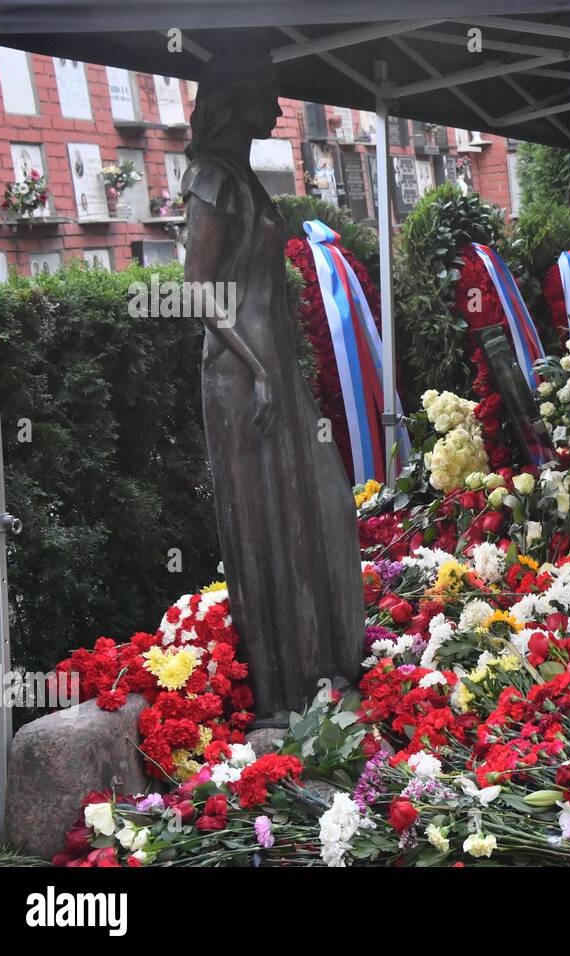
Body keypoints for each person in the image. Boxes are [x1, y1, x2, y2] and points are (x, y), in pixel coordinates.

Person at [182, 56, 362, 717]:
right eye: (269, 98)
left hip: (271, 367)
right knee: (265, 523)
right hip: (240, 378)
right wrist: (256, 370)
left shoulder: (243, 179)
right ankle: (283, 691)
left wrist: (278, 367)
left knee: (320, 505)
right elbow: (196, 290)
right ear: (238, 97)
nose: (280, 111)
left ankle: (321, 665)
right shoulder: (209, 180)